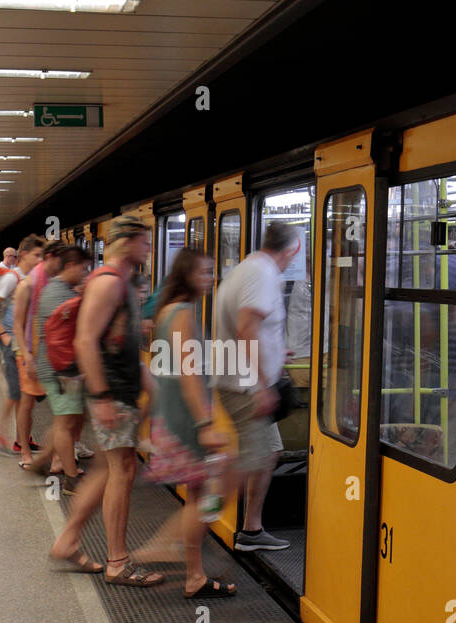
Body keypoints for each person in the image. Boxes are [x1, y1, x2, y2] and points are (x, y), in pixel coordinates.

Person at [48, 215, 162, 586]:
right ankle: (118, 562)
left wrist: (150, 385)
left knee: (106, 470)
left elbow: (122, 344)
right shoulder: (110, 283)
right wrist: (101, 398)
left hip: (119, 390)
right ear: (126, 242)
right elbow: (85, 341)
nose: (148, 248)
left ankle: (68, 541)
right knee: (123, 471)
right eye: (144, 242)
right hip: (112, 394)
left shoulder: (121, 283)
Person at [142, 248, 236, 597]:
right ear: (185, 275)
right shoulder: (182, 313)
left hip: (174, 415)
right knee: (219, 484)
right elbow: (189, 372)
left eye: (212, 271)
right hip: (186, 420)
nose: (209, 278)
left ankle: (195, 575)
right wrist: (205, 424)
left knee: (198, 492)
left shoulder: (167, 311)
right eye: (203, 272)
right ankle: (163, 543)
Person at [213, 221, 301, 552]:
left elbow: (253, 330)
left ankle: (251, 527)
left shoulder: (247, 268)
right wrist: (263, 385)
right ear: (292, 250)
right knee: (254, 457)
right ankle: (204, 513)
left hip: (240, 382)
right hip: (246, 387)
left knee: (266, 453)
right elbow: (247, 328)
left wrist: (277, 352)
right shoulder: (262, 274)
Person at [31, 244, 93, 494]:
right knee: (66, 424)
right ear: (69, 266)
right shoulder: (62, 295)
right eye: (83, 268)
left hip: (57, 367)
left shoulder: (56, 290)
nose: (86, 273)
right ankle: (70, 479)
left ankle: (41, 462)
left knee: (67, 420)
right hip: (62, 369)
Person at [0, 235, 45, 461]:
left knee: (24, 396)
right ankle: (9, 437)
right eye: (36, 255)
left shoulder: (32, 277)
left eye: (42, 256)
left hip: (25, 342)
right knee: (19, 395)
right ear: (23, 256)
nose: (40, 260)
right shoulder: (12, 278)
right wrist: (4, 335)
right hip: (13, 343)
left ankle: (23, 439)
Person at [11, 240, 64, 466]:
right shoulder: (26, 286)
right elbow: (17, 324)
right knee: (27, 403)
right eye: (36, 255)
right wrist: (27, 355)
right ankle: (25, 452)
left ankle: (58, 455)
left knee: (60, 407)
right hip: (29, 352)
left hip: (53, 352)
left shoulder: (58, 284)